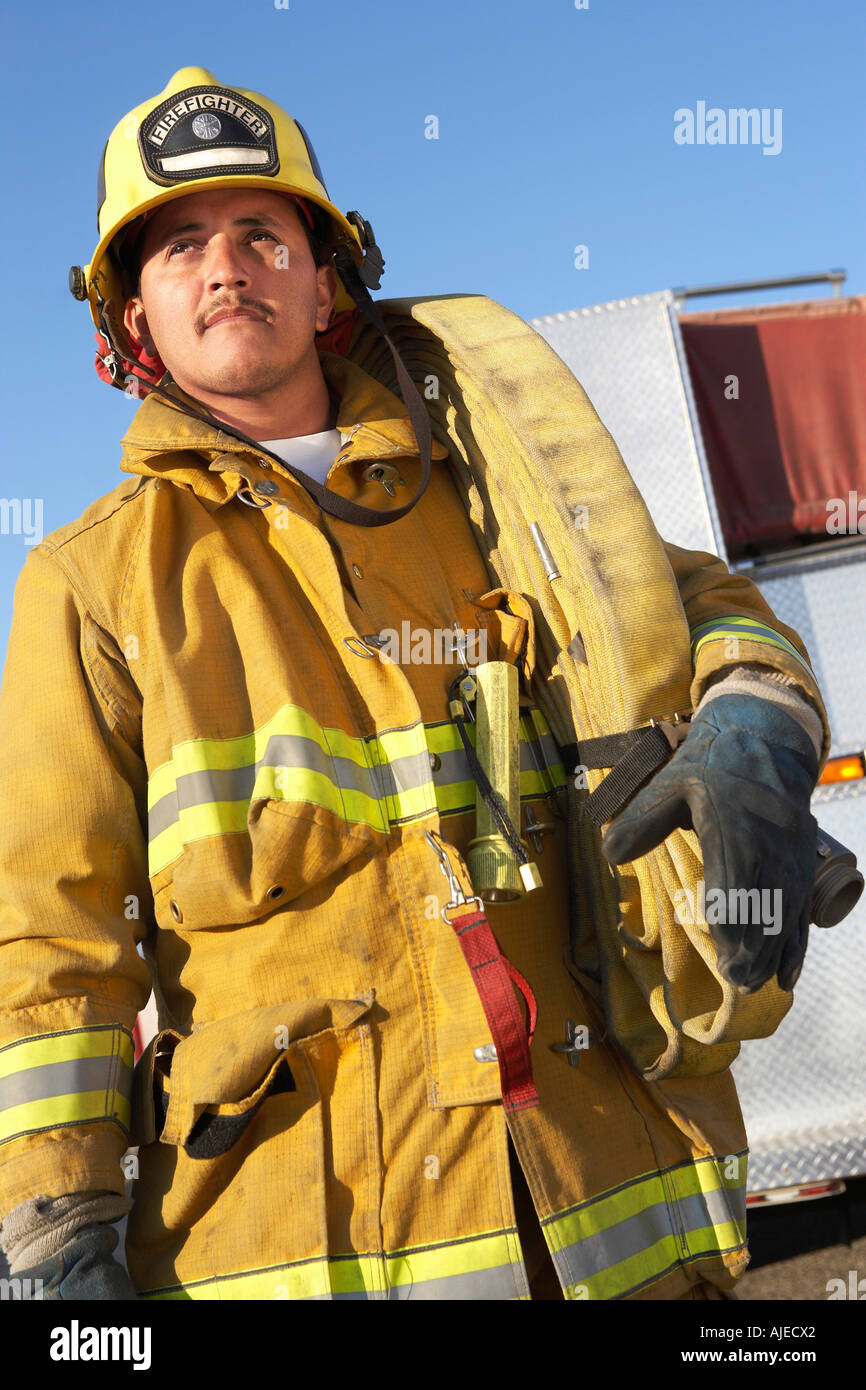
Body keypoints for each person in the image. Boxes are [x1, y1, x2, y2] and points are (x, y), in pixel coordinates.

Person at [0, 67, 828, 1302]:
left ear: (324, 282)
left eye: (261, 234)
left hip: (600, 1219)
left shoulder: (493, 498)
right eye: (178, 247)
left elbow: (706, 604)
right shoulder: (93, 583)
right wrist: (57, 1234)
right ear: (132, 320)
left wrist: (752, 716)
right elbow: (49, 939)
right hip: (299, 1245)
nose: (225, 267)